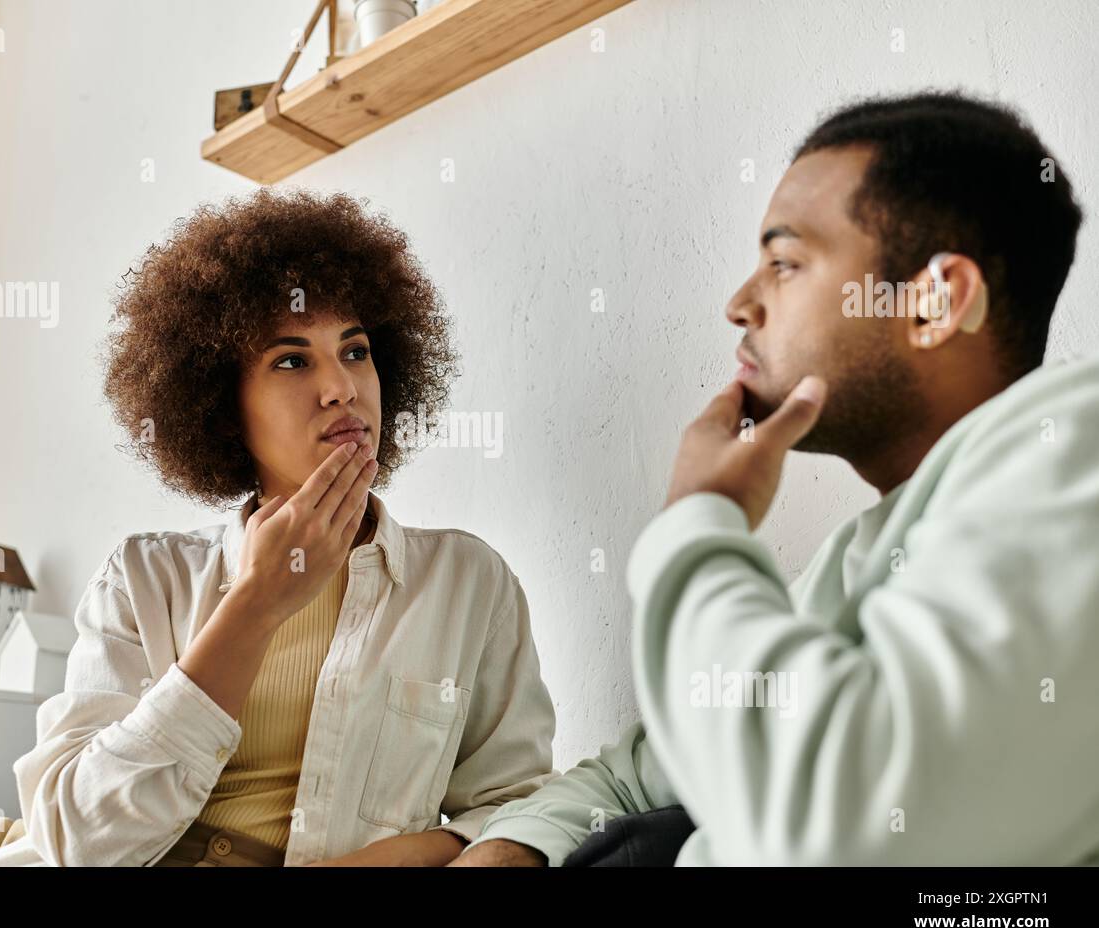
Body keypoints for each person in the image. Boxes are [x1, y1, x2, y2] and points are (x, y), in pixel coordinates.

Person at [452, 90, 1096, 866]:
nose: (739, 304)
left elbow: (848, 824)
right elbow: (632, 778)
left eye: (784, 263)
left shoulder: (1076, 448)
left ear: (934, 302)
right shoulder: (867, 554)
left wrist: (699, 519)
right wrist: (513, 848)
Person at [0, 189, 556, 867]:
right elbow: (78, 837)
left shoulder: (465, 582)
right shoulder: (142, 579)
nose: (341, 388)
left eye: (356, 350)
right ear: (222, 407)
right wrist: (255, 601)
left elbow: (517, 809)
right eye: (291, 360)